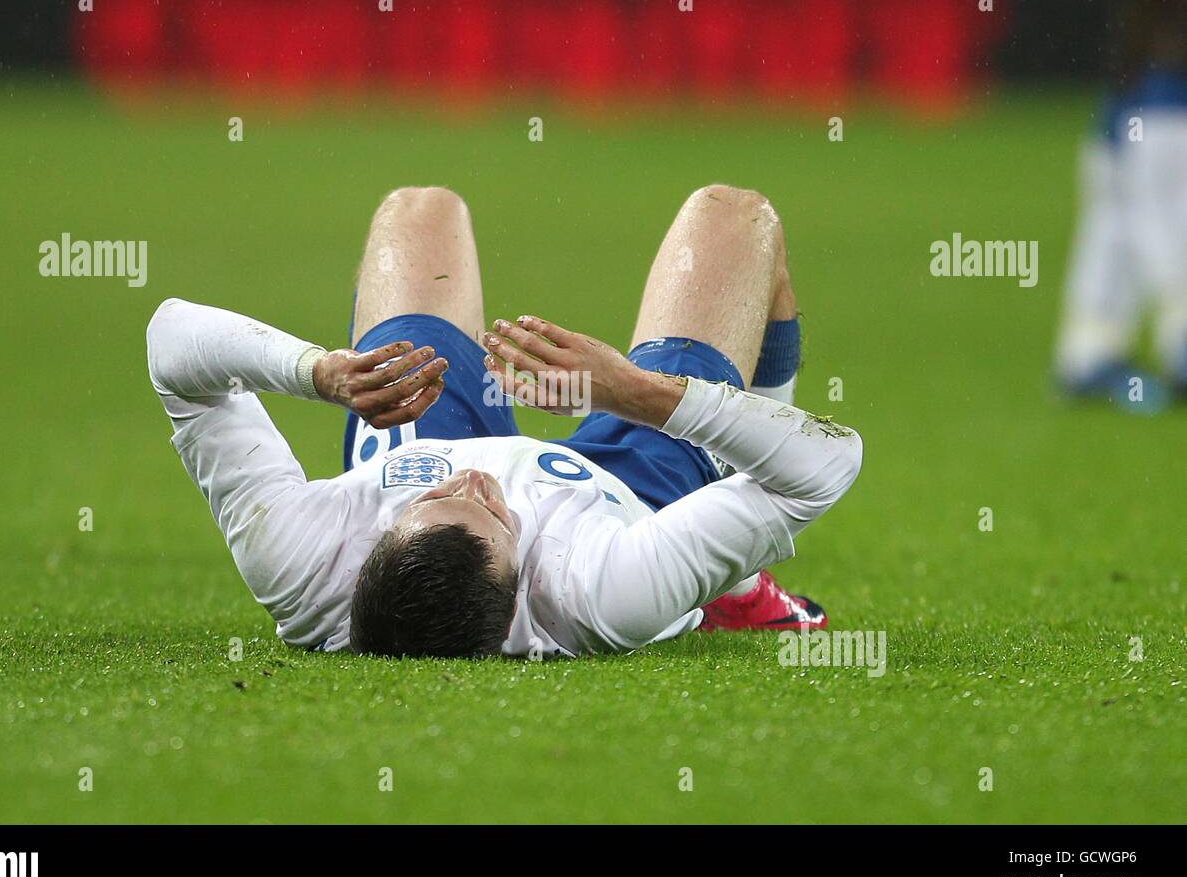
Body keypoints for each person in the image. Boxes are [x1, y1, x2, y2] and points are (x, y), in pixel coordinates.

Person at [146, 185, 862, 658]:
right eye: (492, 512)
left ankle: (422, 483)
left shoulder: (304, 562)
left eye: (433, 501)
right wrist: (634, 391)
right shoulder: (604, 585)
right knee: (734, 216)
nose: (476, 479)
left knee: (419, 211)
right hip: (621, 493)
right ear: (524, 588)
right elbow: (825, 466)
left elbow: (171, 341)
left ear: (372, 557)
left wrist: (314, 371)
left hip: (421, 433)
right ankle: (740, 582)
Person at [1054, 0, 1187, 411]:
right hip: (1158, 105)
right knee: (1140, 216)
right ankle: (1100, 352)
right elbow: (1147, 8)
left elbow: (1140, 10)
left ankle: (1093, 352)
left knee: (1130, 214)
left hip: (1148, 99)